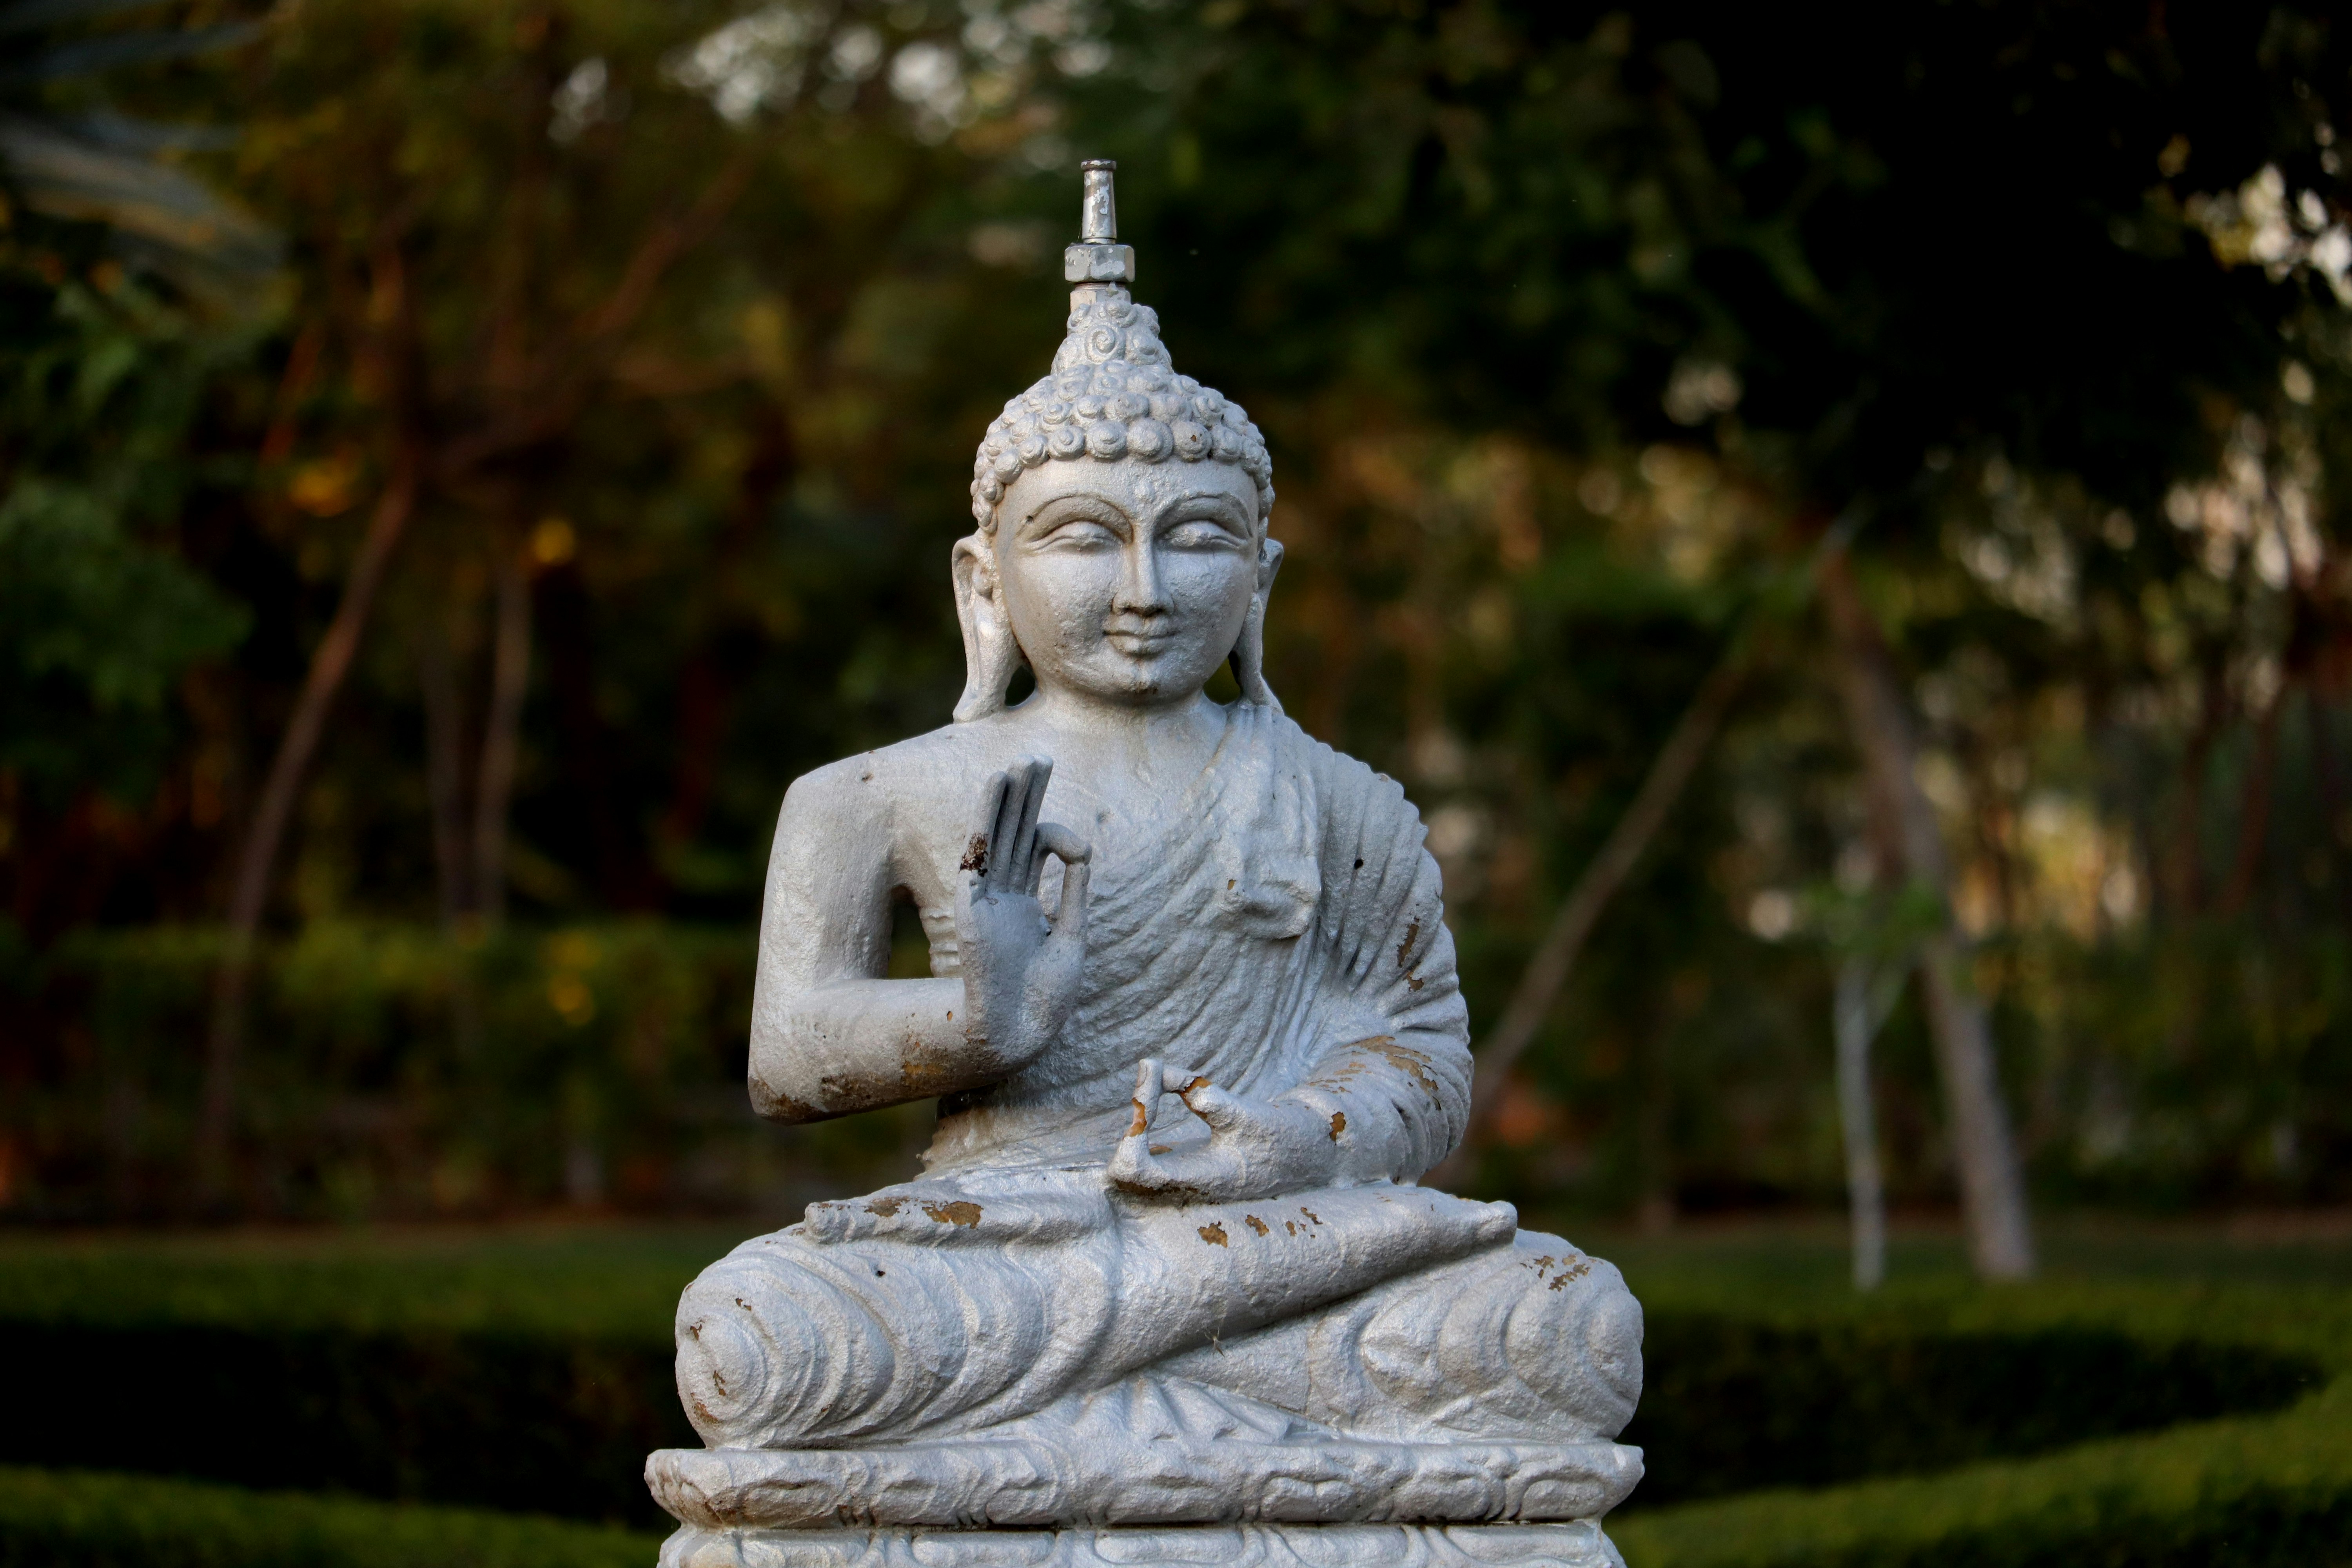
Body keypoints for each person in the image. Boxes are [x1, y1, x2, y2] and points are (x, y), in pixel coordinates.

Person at [662, 164, 1642, 1535]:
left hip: (1279, 1246)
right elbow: (787, 1058)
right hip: (1008, 1257)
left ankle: (1161, 1383)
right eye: (1082, 539)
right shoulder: (872, 793)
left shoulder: (1341, 801)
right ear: (982, 577)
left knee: (1556, 1326)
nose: (1142, 589)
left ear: (1260, 578)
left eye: (1196, 540)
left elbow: (1421, 1053)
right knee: (767, 1334)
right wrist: (980, 1018)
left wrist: (1292, 1136)